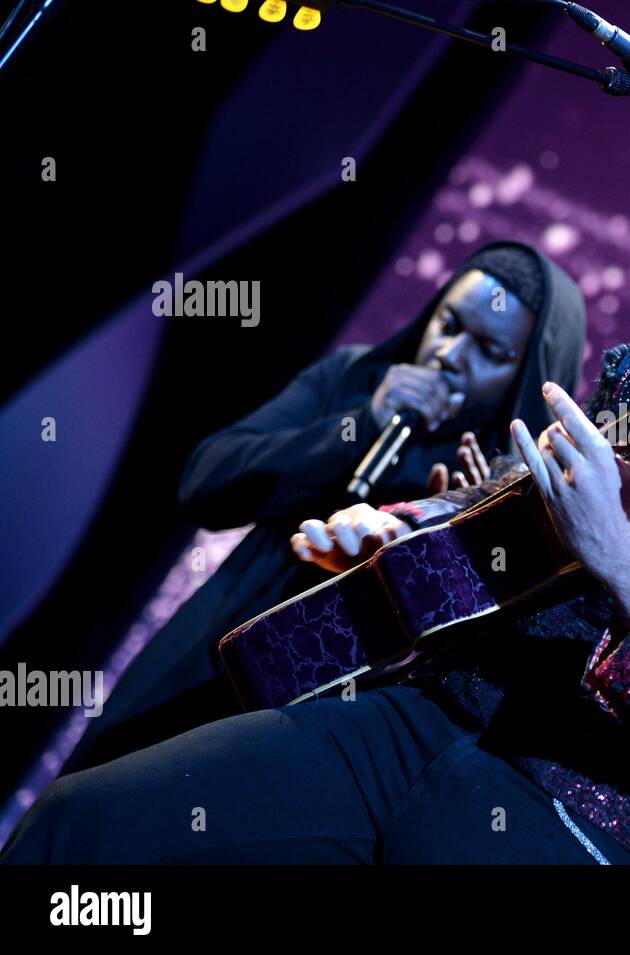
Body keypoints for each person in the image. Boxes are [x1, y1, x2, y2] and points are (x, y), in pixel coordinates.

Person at [2, 126, 630, 866]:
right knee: (86, 826)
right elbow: (525, 538)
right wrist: (412, 532)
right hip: (428, 718)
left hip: (565, 816)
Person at [58, 241, 587, 775]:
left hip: (313, 722)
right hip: (205, 657)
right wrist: (361, 424)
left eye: (490, 353)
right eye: (448, 322)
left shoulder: (510, 490)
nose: (449, 354)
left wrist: (457, 538)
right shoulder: (356, 380)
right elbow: (206, 483)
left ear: (529, 375)